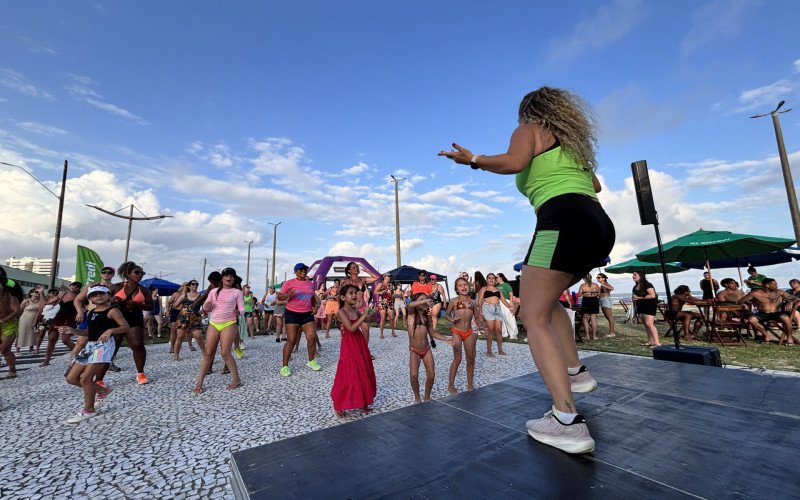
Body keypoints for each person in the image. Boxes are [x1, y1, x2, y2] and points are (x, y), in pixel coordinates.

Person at [439, 86, 615, 454]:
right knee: (548, 304)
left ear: (531, 111)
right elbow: (595, 184)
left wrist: (475, 159)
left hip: (561, 219)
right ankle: (575, 373)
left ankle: (567, 421)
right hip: (598, 225)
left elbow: (514, 162)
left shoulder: (531, 129)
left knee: (532, 318)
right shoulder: (573, 147)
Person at [62, 286, 128, 423]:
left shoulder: (112, 311)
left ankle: (88, 409)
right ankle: (102, 391)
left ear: (108, 295)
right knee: (71, 378)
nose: (98, 296)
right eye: (94, 294)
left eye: (101, 294)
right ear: (90, 298)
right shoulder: (90, 313)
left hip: (103, 346)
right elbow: (89, 332)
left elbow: (125, 327)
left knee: (86, 378)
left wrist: (110, 330)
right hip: (90, 345)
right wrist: (73, 331)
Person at [194, 267, 244, 393]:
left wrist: (239, 311)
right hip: (214, 323)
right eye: (226, 276)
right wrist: (207, 306)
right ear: (222, 278)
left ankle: (236, 380)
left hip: (229, 323)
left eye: (231, 276)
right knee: (208, 354)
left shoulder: (237, 292)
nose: (229, 278)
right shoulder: (214, 291)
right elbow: (207, 305)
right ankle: (199, 383)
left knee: (225, 353)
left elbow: (243, 309)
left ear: (234, 279)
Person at [330, 284, 377, 418]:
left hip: (359, 342)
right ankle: (338, 404)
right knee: (349, 373)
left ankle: (363, 401)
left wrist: (371, 313)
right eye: (351, 293)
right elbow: (351, 328)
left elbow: (366, 319)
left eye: (355, 293)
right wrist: (363, 316)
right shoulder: (341, 312)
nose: (355, 295)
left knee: (363, 370)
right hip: (349, 345)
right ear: (343, 297)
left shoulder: (355, 310)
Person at [108, 262, 153, 384]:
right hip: (117, 319)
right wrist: (113, 301)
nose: (140, 275)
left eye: (142, 273)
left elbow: (150, 306)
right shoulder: (116, 287)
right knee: (113, 346)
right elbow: (103, 300)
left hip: (134, 318)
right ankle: (101, 374)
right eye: (137, 272)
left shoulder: (143, 290)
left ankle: (141, 373)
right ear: (127, 274)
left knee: (138, 344)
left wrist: (138, 304)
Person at [406, 292, 454, 402]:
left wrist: (445, 338)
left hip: (426, 349)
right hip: (414, 350)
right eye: (421, 299)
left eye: (426, 299)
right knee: (413, 376)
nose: (425, 301)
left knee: (431, 375)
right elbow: (410, 305)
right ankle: (417, 397)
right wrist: (424, 300)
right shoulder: (411, 315)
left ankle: (427, 397)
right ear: (417, 301)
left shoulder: (426, 318)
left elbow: (432, 333)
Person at [277, 263, 320, 376]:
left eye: (305, 269)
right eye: (301, 270)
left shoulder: (310, 284)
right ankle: (285, 366)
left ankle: (311, 361)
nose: (303, 271)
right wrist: (288, 295)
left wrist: (315, 307)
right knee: (291, 340)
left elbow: (312, 298)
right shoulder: (289, 283)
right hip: (292, 313)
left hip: (307, 314)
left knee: (312, 337)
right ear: (295, 271)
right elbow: (279, 296)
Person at [443, 277, 480, 394]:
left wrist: (481, 326)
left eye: (465, 284)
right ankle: (451, 385)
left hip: (469, 332)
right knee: (457, 358)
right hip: (457, 331)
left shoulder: (473, 302)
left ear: (468, 287)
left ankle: (470, 384)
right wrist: (452, 319)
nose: (463, 287)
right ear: (456, 289)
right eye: (460, 285)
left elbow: (477, 317)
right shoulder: (454, 301)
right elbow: (447, 314)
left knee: (470, 358)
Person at [738, 278, 799, 345]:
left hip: (776, 313)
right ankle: (766, 335)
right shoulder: (755, 293)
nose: (777, 286)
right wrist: (744, 304)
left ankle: (789, 338)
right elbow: (740, 301)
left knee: (786, 318)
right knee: (751, 320)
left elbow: (796, 298)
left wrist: (791, 302)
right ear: (767, 285)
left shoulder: (779, 292)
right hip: (762, 313)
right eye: (774, 285)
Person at [340, 262, 379, 343]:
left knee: (366, 330)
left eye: (357, 267)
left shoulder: (362, 279)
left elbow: (377, 277)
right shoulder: (346, 281)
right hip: (352, 309)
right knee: (351, 332)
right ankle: (354, 351)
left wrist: (366, 270)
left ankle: (365, 351)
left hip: (363, 308)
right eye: (353, 267)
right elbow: (340, 294)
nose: (356, 268)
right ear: (349, 271)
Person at [477, 273, 511, 356]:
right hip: (488, 309)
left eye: (493, 278)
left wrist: (510, 307)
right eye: (489, 278)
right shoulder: (484, 289)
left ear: (495, 280)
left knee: (499, 331)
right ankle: (489, 351)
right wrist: (480, 312)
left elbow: (503, 300)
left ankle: (500, 350)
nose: (491, 280)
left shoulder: (498, 290)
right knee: (491, 330)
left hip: (498, 309)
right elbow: (480, 301)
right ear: (487, 279)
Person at [174, 280, 205, 361]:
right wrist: (179, 301)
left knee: (198, 336)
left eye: (196, 284)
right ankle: (176, 355)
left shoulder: (201, 296)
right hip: (183, 317)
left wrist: (201, 312)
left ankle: (205, 354)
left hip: (195, 317)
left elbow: (206, 307)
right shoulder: (184, 295)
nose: (195, 285)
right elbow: (175, 305)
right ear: (189, 286)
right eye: (193, 284)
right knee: (180, 337)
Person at [0, 277, 22, 378]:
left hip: (9, 325)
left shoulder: (12, 298)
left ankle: (12, 370)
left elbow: (17, 311)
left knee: (4, 348)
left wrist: (4, 320)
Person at [632, 271, 660, 348]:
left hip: (649, 306)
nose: (633, 276)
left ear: (641, 276)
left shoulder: (648, 284)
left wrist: (639, 298)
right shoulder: (635, 287)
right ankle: (651, 341)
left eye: (635, 275)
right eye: (633, 275)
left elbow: (653, 295)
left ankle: (657, 343)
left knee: (649, 324)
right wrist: (634, 299)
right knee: (646, 325)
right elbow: (634, 296)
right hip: (640, 306)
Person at [17, 287, 43, 352]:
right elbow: (19, 310)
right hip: (25, 319)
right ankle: (18, 348)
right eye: (36, 292)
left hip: (36, 319)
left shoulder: (40, 301)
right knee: (22, 333)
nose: (37, 294)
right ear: (31, 293)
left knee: (34, 333)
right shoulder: (26, 301)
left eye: (38, 292)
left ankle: (31, 348)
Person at [578, 274, 600, 340]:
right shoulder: (596, 285)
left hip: (586, 301)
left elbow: (579, 295)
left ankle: (587, 336)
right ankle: (594, 336)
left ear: (584, 279)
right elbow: (599, 294)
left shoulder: (582, 285)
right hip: (594, 300)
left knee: (585, 318)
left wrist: (585, 293)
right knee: (593, 319)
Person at [373, 274, 397, 339]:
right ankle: (381, 333)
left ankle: (393, 331)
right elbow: (375, 292)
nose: (389, 277)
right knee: (383, 318)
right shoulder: (380, 284)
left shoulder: (391, 285)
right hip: (382, 302)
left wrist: (394, 296)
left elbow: (392, 293)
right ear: (384, 277)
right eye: (388, 276)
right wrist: (380, 293)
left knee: (392, 317)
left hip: (390, 302)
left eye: (390, 276)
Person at [596, 273, 615, 337]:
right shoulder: (601, 285)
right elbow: (599, 294)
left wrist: (603, 285)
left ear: (603, 278)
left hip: (605, 300)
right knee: (607, 317)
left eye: (599, 277)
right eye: (597, 277)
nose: (597, 279)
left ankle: (612, 333)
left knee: (609, 317)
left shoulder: (604, 284)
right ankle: (610, 332)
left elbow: (612, 288)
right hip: (602, 300)